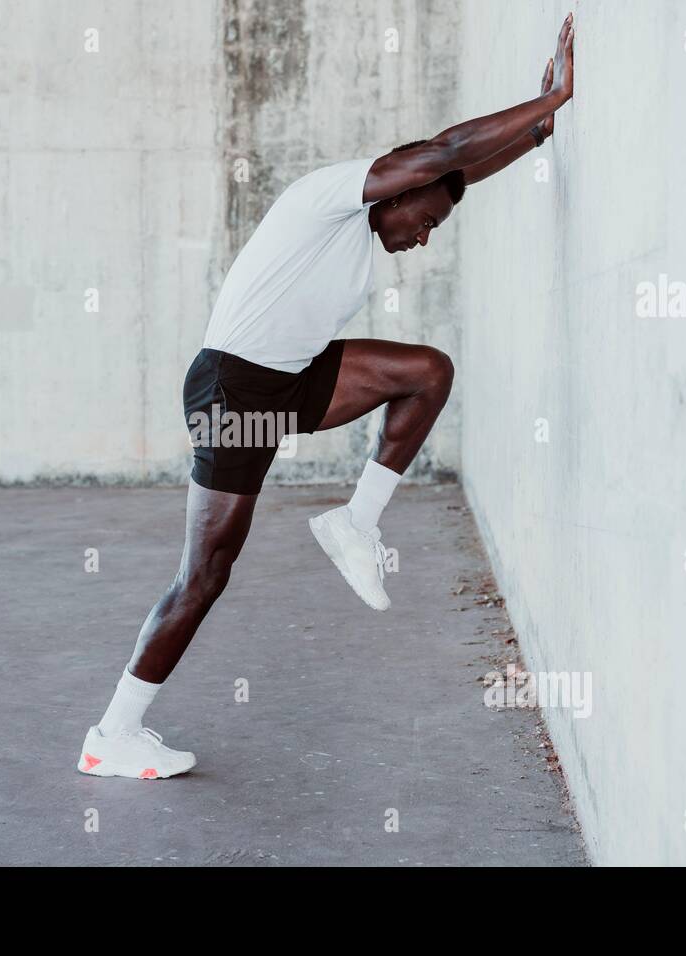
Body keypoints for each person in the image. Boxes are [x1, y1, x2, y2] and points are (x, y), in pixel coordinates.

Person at [78, 14, 576, 779]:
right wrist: (551, 101)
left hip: (292, 378)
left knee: (427, 372)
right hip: (235, 391)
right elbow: (442, 152)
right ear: (398, 194)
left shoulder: (377, 217)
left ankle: (355, 521)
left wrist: (531, 140)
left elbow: (454, 171)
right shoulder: (332, 197)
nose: (425, 237)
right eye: (427, 220)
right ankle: (113, 733)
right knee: (206, 573)